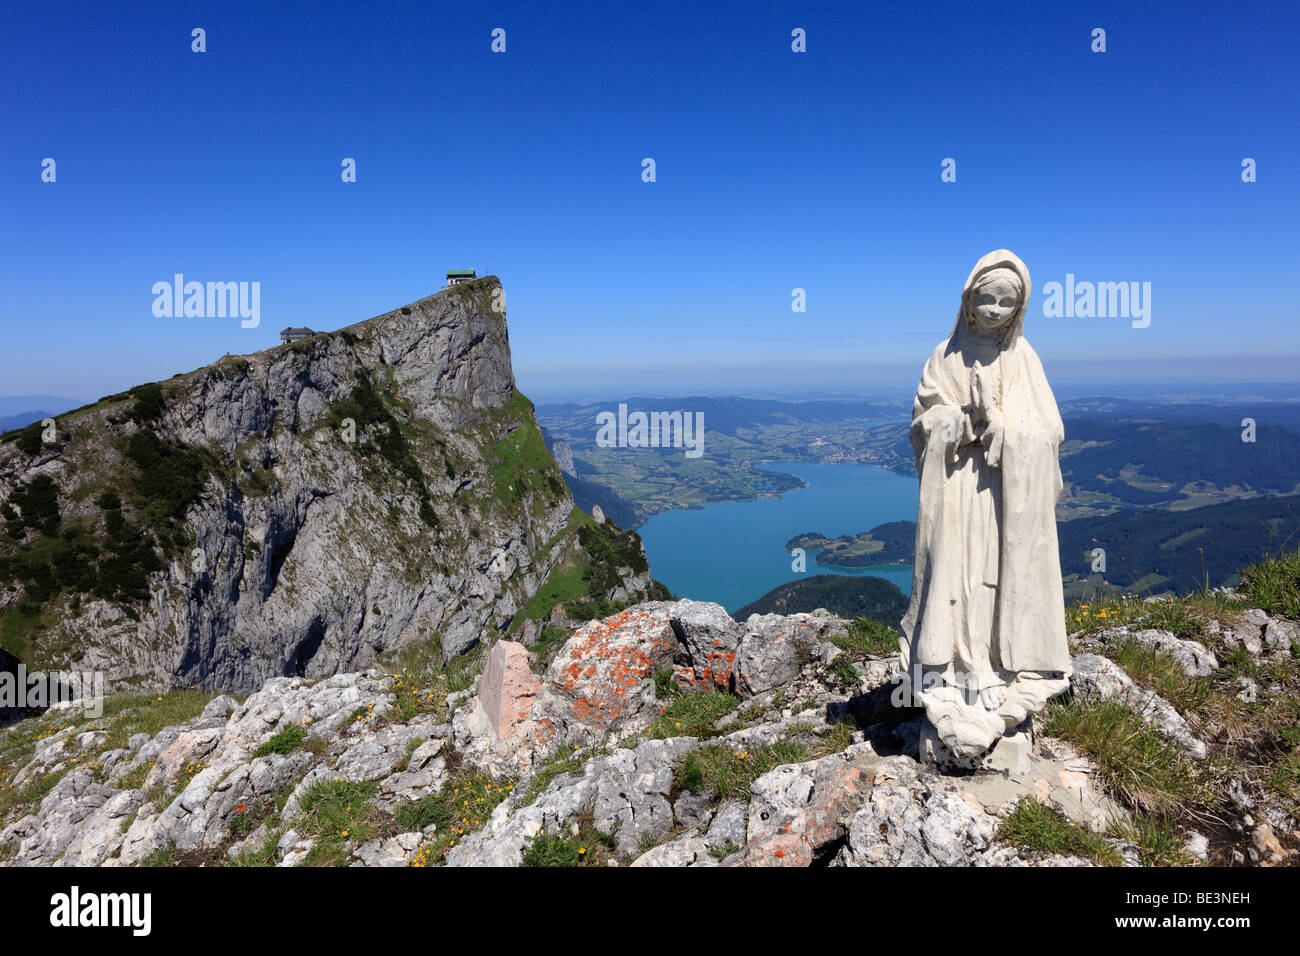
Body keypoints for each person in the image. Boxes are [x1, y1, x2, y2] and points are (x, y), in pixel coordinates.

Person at [897, 249, 1072, 757]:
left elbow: (1050, 432)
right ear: (967, 299)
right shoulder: (944, 357)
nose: (994, 310)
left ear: (1019, 308)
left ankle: (1000, 670)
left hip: (1003, 497)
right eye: (985, 298)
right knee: (957, 579)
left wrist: (1005, 427)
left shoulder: (1024, 359)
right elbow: (921, 424)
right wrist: (957, 422)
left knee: (995, 581)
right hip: (956, 495)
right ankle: (952, 670)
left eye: (1006, 302)